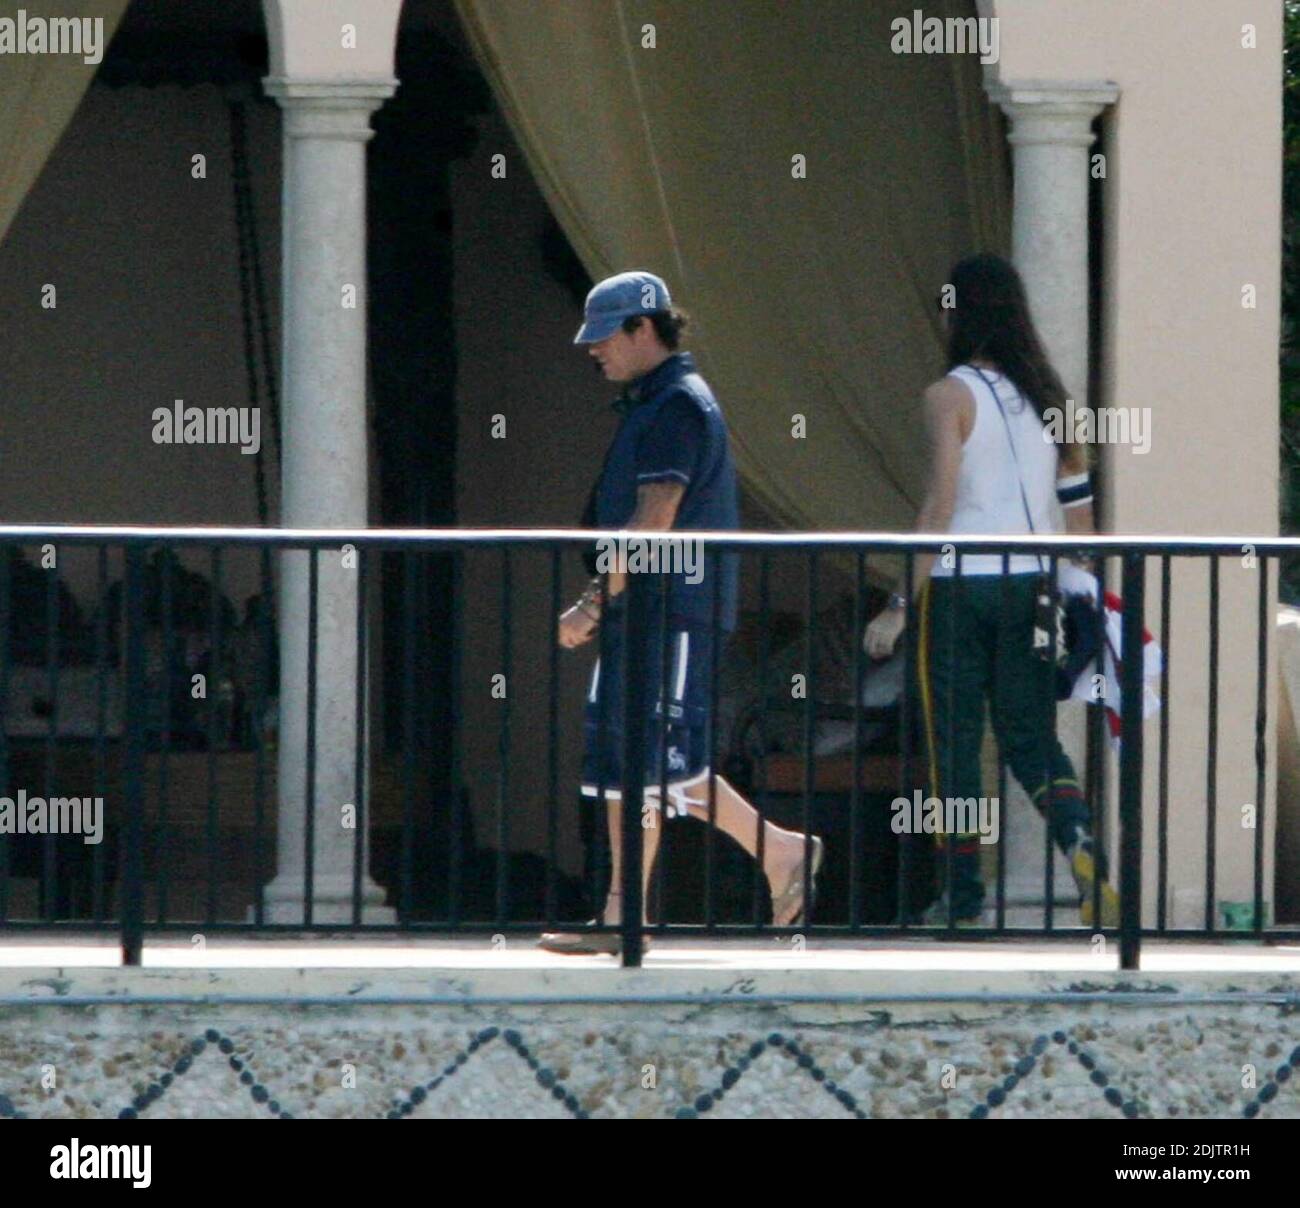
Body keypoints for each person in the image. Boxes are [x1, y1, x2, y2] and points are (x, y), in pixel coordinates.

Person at [539, 270, 822, 955]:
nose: (593, 351)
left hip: (673, 609)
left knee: (665, 762)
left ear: (643, 329)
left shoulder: (678, 406)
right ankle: (619, 914)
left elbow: (654, 519)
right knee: (618, 761)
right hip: (641, 606)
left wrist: (589, 601)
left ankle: (782, 852)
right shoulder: (652, 403)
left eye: (605, 337)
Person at [863, 253, 1118, 927]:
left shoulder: (947, 395)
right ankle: (1079, 838)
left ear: (960, 313)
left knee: (954, 743)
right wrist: (1078, 598)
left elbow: (940, 506)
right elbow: (1081, 518)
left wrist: (897, 605)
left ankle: (963, 894)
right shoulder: (1053, 398)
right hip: (1032, 586)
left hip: (957, 587)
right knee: (1032, 739)